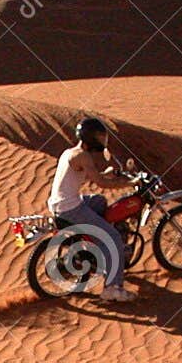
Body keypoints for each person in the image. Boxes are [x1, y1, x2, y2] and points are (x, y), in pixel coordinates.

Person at [48, 116, 135, 302]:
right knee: (112, 237)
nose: (102, 141)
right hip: (70, 208)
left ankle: (96, 244)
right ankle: (112, 288)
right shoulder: (83, 156)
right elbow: (102, 183)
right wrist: (129, 183)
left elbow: (91, 176)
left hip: (60, 203)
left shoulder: (71, 152)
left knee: (99, 201)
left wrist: (106, 174)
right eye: (99, 137)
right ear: (91, 137)